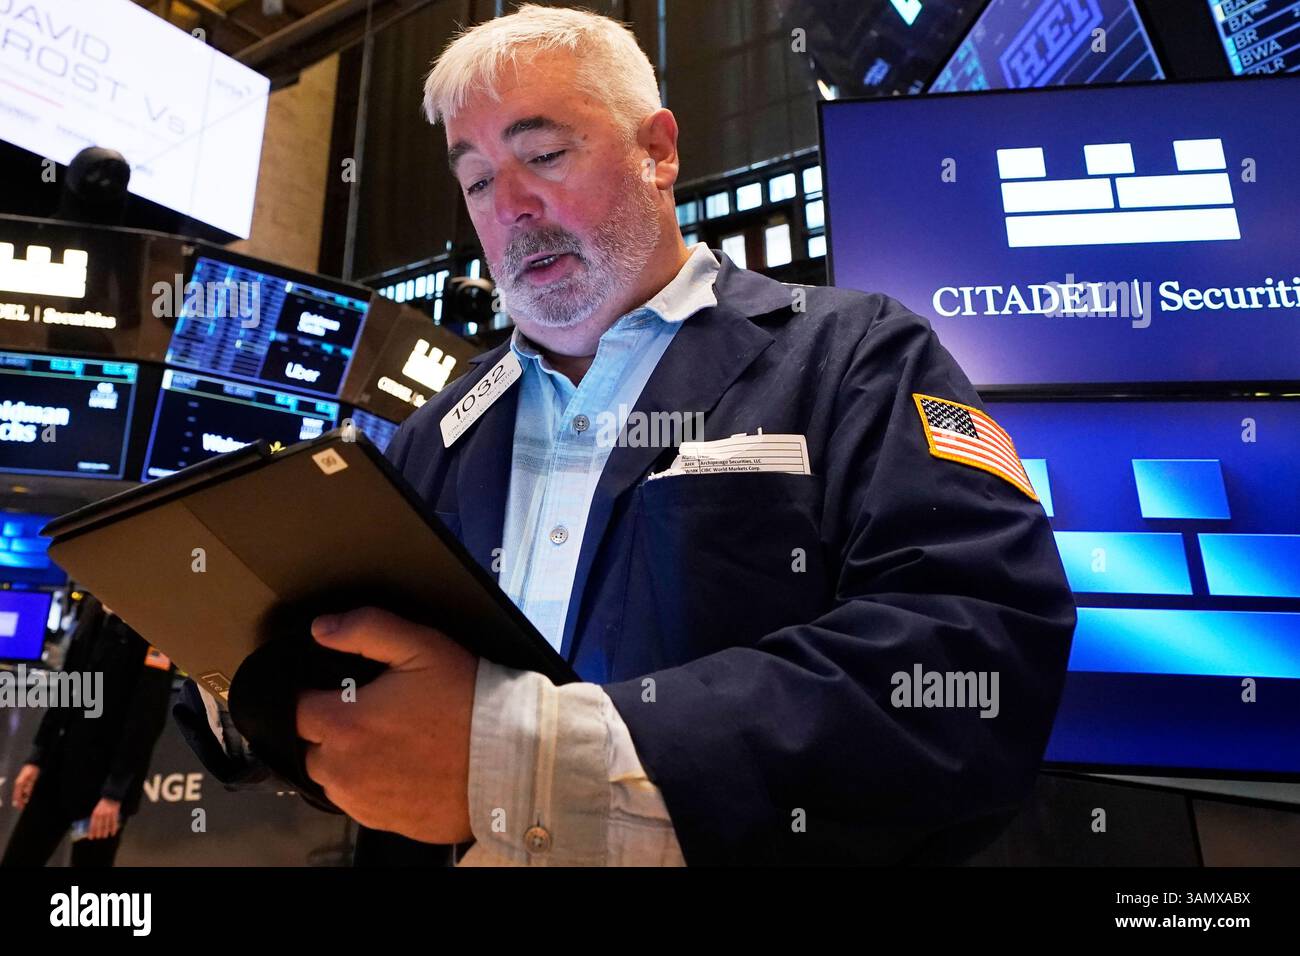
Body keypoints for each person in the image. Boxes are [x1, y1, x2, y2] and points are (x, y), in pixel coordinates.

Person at [180, 3, 1076, 866]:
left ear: (659, 150)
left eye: (544, 153)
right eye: (479, 180)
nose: (512, 206)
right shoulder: (435, 434)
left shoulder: (853, 355)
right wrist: (244, 678)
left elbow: (976, 647)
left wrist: (533, 763)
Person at [3, 595, 175, 867]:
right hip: (58, 770)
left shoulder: (154, 623)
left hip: (103, 784)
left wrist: (113, 794)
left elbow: (146, 719)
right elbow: (66, 690)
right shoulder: (91, 608)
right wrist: (36, 757)